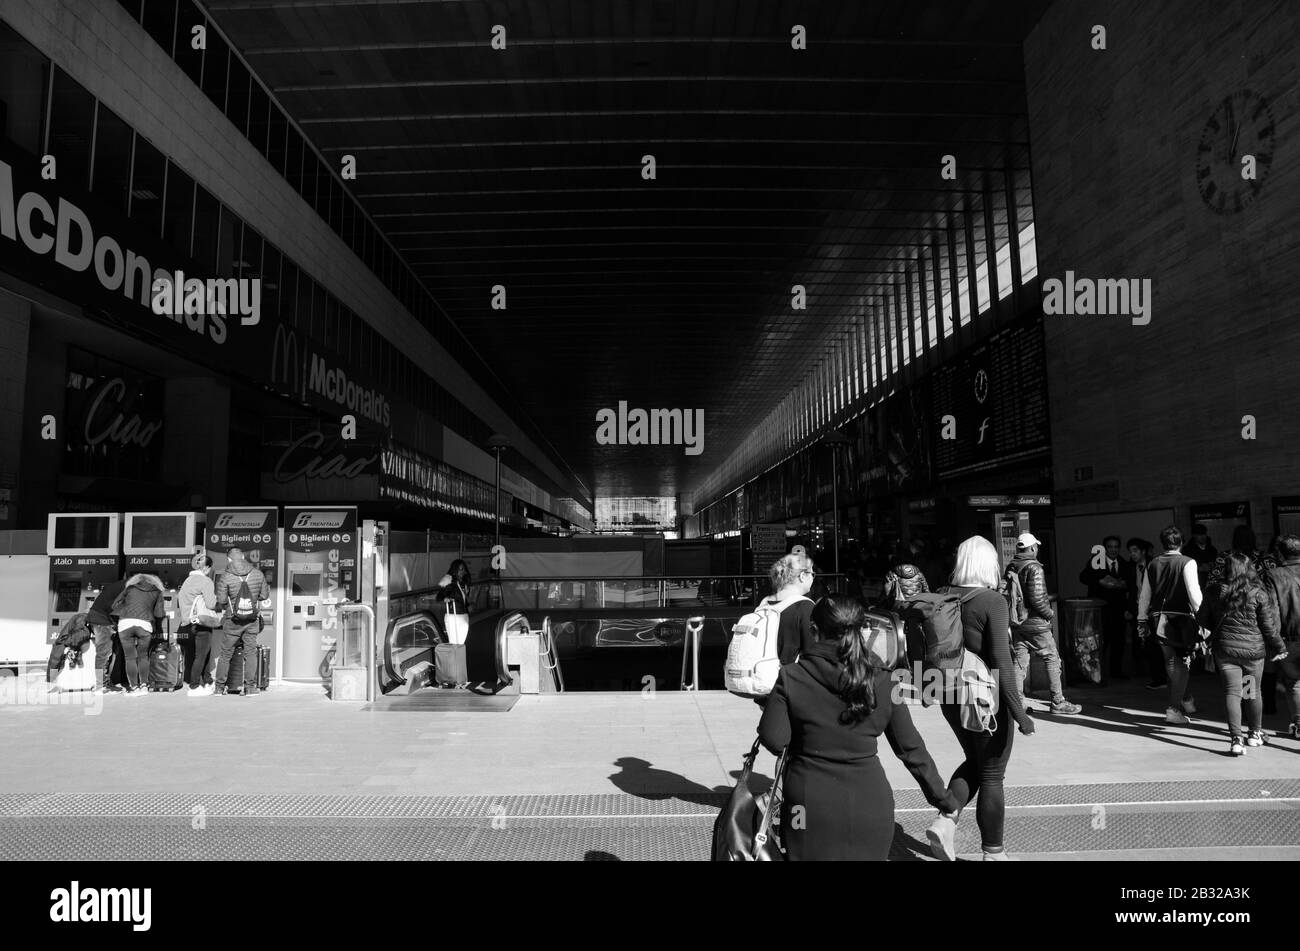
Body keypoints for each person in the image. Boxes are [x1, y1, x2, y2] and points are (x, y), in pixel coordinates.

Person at [757, 594, 958, 860]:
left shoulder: (792, 677)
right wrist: (944, 800)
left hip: (805, 807)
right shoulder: (884, 679)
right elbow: (911, 750)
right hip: (871, 805)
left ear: (814, 631)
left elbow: (774, 740)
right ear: (862, 630)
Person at [926, 536, 1035, 862]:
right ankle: (994, 853)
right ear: (989, 563)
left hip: (948, 693)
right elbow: (1002, 660)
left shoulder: (942, 595)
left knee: (977, 761)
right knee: (991, 774)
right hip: (984, 696)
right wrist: (1020, 713)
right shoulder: (991, 600)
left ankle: (946, 820)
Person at [1198, 552, 1287, 755]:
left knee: (1231, 692)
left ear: (1226, 568)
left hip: (1226, 651)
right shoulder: (1257, 592)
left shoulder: (1213, 590)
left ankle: (1236, 739)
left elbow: (1203, 619)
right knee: (1251, 692)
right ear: (1249, 569)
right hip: (1252, 654)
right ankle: (1255, 734)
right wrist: (1279, 647)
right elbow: (1268, 627)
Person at [1138, 526, 1204, 724]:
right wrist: (1203, 617)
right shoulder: (1187, 562)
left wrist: (1141, 618)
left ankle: (1185, 698)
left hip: (1159, 618)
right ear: (1181, 542)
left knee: (1171, 662)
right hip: (1182, 618)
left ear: (1162, 543)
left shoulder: (1153, 563)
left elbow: (1145, 594)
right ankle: (1174, 707)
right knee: (1183, 662)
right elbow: (1194, 593)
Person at [1009, 533, 1081, 715]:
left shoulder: (1012, 566)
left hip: (1018, 622)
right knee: (1051, 658)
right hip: (1036, 624)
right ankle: (1058, 701)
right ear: (1032, 548)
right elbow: (1038, 598)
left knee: (1019, 662)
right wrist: (1050, 613)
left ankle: (1017, 702)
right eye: (1036, 547)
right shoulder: (1034, 567)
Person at [212, 547, 269, 696]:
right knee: (250, 653)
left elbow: (222, 600)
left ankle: (219, 688)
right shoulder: (257, 574)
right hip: (251, 619)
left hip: (233, 620)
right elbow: (264, 595)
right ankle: (249, 688)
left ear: (229, 559)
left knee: (225, 654)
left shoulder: (225, 576)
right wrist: (251, 599)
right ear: (243, 556)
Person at [1263, 534, 1300, 739]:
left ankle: (1299, 723)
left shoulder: (1273, 575)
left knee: (1294, 682)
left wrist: (1275, 642)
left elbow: (1273, 611)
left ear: (1280, 553)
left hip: (1289, 637)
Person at [1079, 534, 1129, 680]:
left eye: (1116, 546)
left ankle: (1116, 672)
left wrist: (1122, 585)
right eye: (1110, 547)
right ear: (1104, 548)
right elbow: (1083, 577)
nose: (1113, 550)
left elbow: (1130, 583)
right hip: (1101, 610)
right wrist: (1100, 581)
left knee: (1118, 641)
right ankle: (1098, 673)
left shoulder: (1123, 563)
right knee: (1100, 642)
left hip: (1119, 609)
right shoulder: (1097, 562)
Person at [1123, 538, 1164, 689]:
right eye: (1130, 551)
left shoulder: (1154, 565)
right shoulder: (1131, 567)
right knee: (1141, 641)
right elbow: (1132, 590)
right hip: (1138, 609)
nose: (1132, 554)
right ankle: (1146, 673)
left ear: (1143, 551)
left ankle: (1160, 678)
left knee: (1155, 643)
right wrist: (1130, 609)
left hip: (1153, 610)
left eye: (1135, 551)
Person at [763, 552, 817, 667]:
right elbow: (812, 653)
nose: (813, 577)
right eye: (812, 573)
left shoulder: (764, 605)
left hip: (760, 676)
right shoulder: (805, 607)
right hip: (786, 680)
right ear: (802, 576)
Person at [116, 573, 166, 693]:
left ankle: (134, 687)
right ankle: (144, 686)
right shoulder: (157, 592)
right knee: (143, 656)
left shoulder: (130, 589)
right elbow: (159, 614)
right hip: (144, 625)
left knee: (130, 658)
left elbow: (115, 605)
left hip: (125, 624)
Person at [176, 553, 219, 696]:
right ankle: (194, 687)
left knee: (201, 654)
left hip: (188, 623)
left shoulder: (187, 581)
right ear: (207, 567)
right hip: (202, 623)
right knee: (201, 655)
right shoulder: (206, 581)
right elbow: (211, 604)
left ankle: (208, 682)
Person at [85, 575, 126, 694]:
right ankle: (99, 685)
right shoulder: (128, 588)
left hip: (103, 620)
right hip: (101, 621)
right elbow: (115, 607)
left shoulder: (125, 586)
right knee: (103, 653)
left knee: (111, 652)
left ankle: (106, 683)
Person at [435, 559, 474, 647]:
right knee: (454, 643)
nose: (462, 571)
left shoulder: (464, 583)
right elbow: (439, 597)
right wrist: (445, 598)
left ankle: (457, 659)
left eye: (463, 569)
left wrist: (468, 604)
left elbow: (464, 599)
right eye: (460, 569)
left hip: (464, 615)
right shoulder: (450, 581)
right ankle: (453, 660)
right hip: (453, 616)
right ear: (455, 570)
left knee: (461, 643)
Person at [1181, 523, 1218, 589]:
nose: (1202, 537)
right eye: (1199, 534)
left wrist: (1212, 566)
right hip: (1195, 584)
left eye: (1204, 534)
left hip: (1211, 584)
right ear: (1194, 535)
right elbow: (1184, 567)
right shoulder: (1187, 550)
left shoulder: (1212, 549)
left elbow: (1217, 564)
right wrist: (1199, 568)